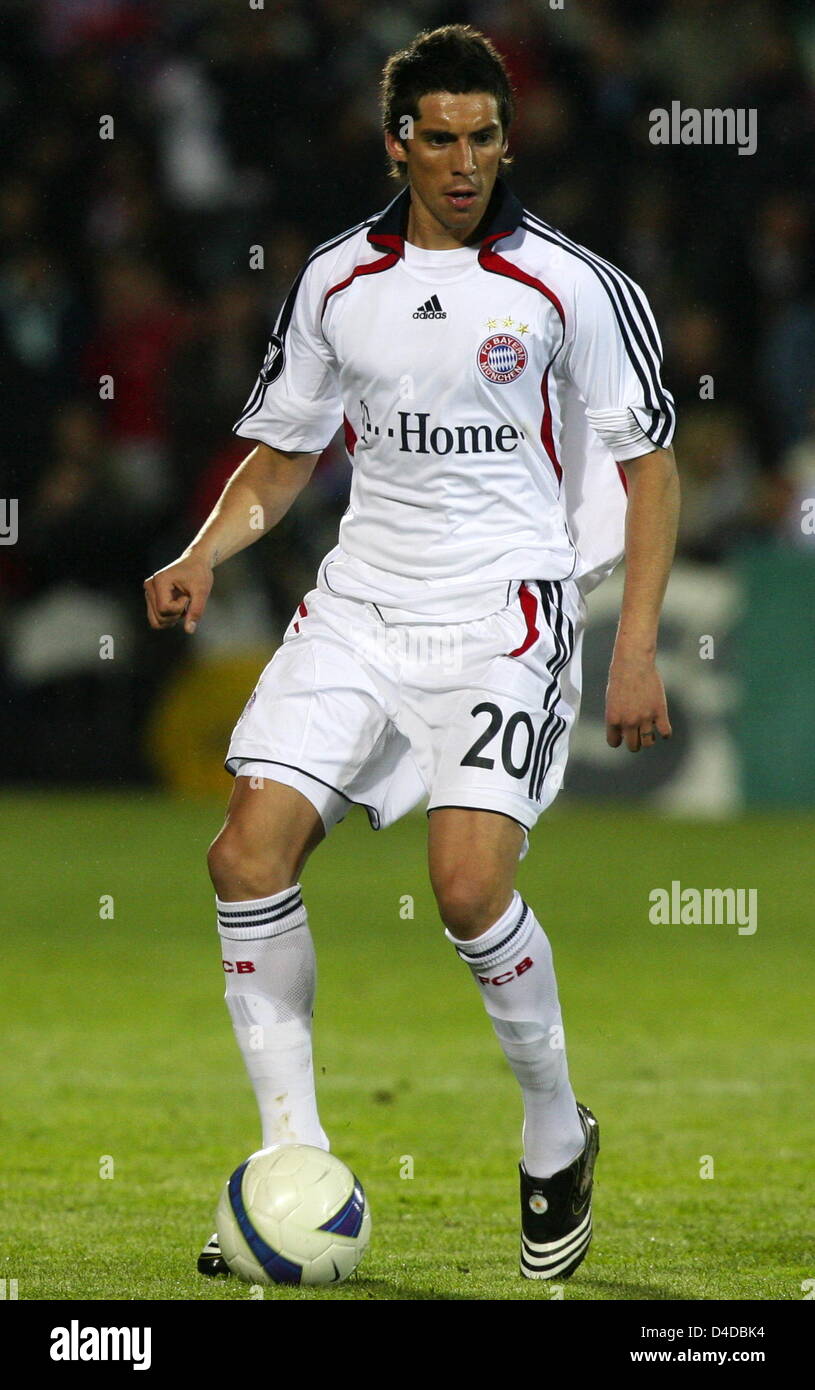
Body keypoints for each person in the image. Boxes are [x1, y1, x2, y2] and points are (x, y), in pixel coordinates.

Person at [143, 24, 679, 1284]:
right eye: (436, 138)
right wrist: (202, 552)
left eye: (483, 137)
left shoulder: (573, 286)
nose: (462, 161)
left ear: (506, 139)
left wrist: (635, 645)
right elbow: (285, 456)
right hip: (360, 610)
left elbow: (648, 469)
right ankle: (293, 1164)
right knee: (242, 851)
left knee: (464, 891)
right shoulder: (336, 281)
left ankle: (554, 1131)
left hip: (505, 618)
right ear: (396, 143)